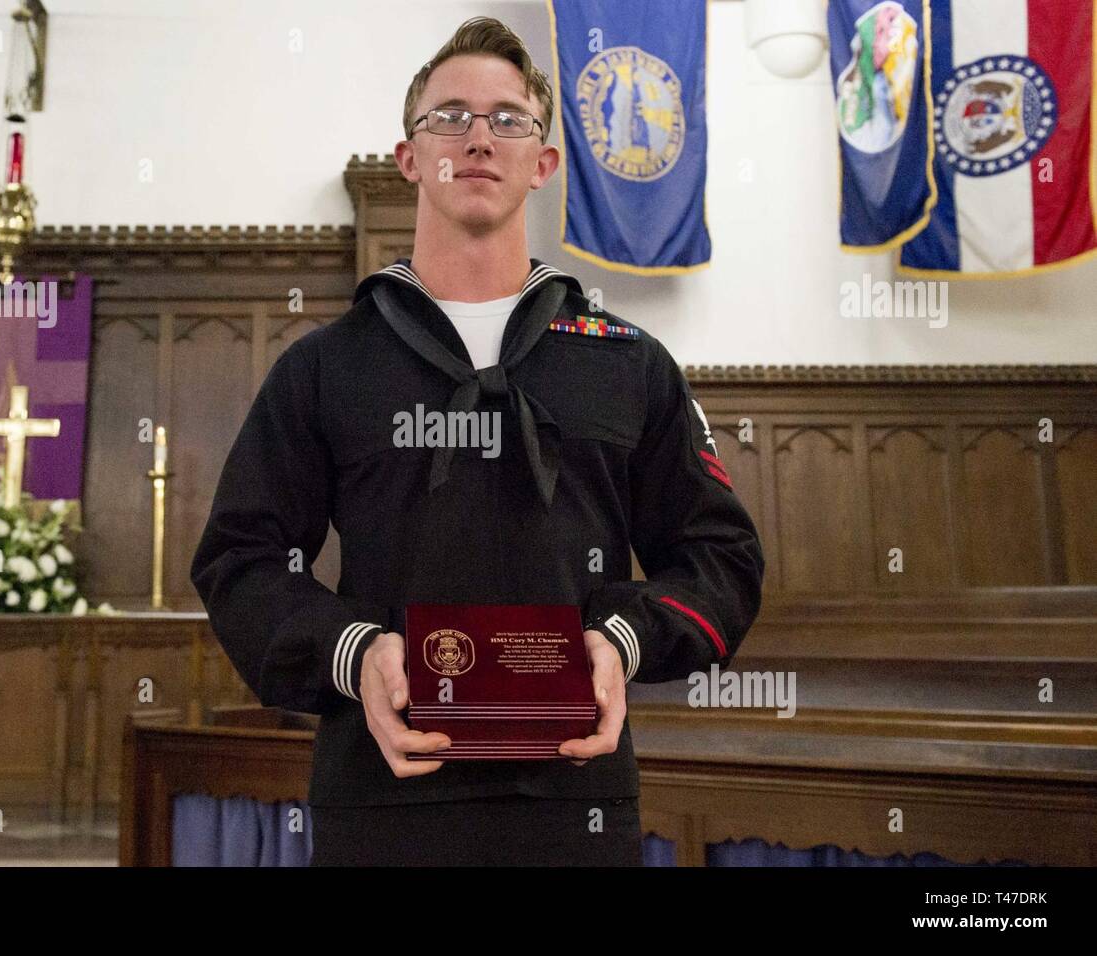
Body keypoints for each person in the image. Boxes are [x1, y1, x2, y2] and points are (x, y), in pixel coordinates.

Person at [190, 16, 765, 866]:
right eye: (449, 117)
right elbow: (241, 558)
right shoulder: (325, 366)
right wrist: (354, 654)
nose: (478, 138)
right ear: (409, 158)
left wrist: (620, 642)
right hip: (382, 796)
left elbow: (722, 556)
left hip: (578, 802)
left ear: (544, 164)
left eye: (508, 119)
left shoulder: (630, 365)